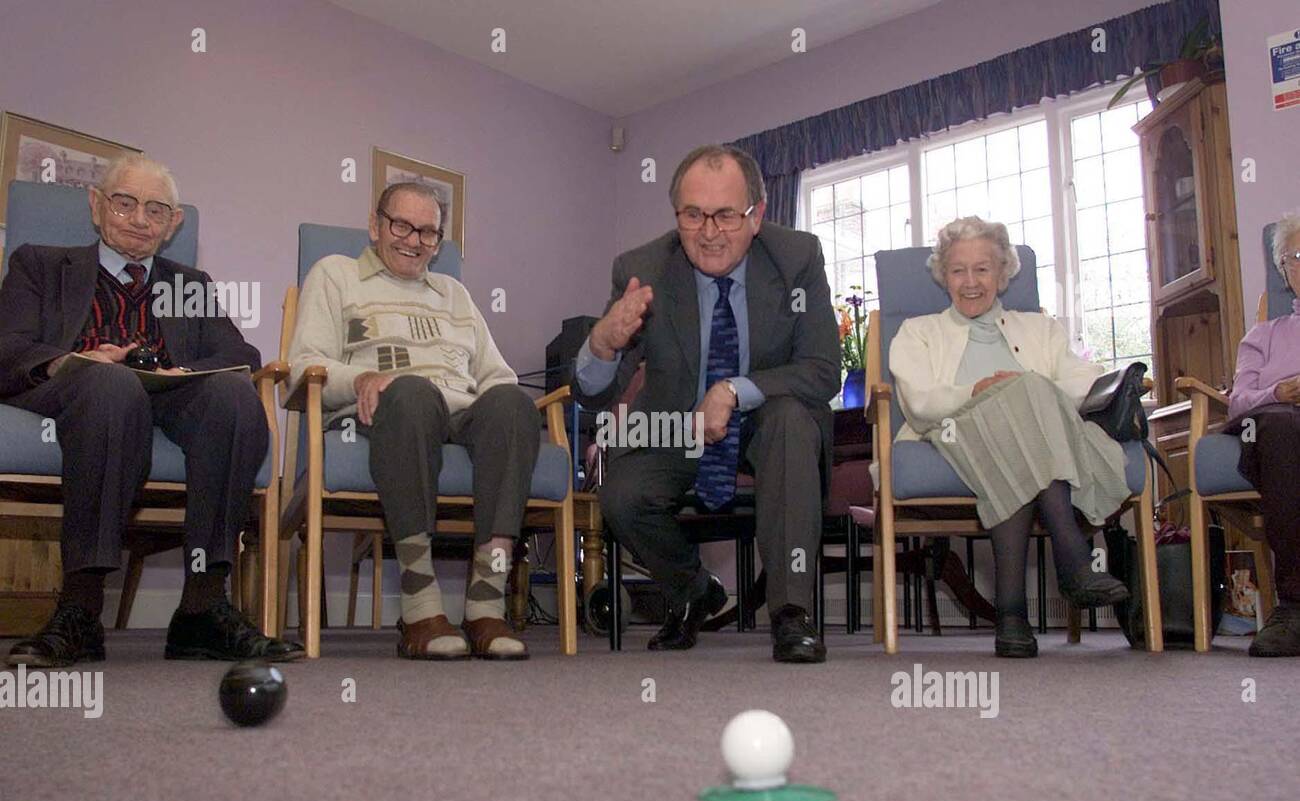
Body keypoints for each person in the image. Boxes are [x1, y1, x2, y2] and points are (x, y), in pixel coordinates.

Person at [0, 154, 302, 665]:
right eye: (125, 203)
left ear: (173, 222)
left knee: (233, 396)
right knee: (110, 387)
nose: (140, 219)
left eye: (156, 210)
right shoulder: (41, 263)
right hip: (77, 386)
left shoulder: (189, 284)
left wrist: (182, 373)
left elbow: (241, 356)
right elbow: (8, 346)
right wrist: (71, 362)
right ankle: (80, 610)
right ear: (97, 207)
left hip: (167, 393)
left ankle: (202, 611)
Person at [573, 144, 840, 663]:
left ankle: (791, 614)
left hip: (766, 419)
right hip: (677, 425)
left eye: (726, 215)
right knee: (621, 494)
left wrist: (733, 390)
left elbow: (822, 369)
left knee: (789, 420)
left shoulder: (797, 260)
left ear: (757, 216)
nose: (709, 231)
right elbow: (596, 393)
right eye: (693, 215)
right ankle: (694, 588)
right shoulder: (642, 268)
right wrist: (602, 344)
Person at [288, 182, 539, 661]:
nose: (414, 240)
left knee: (513, 404)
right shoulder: (336, 275)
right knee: (410, 391)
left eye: (428, 232)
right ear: (376, 224)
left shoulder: (455, 294)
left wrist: (508, 416)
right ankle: (420, 609)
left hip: (460, 412)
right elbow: (304, 367)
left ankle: (486, 605)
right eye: (402, 225)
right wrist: (361, 375)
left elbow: (497, 376)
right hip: (388, 409)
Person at [890, 216, 1130, 658]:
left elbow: (1083, 381)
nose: (970, 281)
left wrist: (1025, 391)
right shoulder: (918, 333)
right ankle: (1073, 563)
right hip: (950, 433)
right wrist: (981, 390)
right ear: (944, 276)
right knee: (1025, 394)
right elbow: (920, 403)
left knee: (1029, 399)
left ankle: (1012, 617)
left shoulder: (1041, 329)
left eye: (982, 269)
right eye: (958, 270)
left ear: (1003, 275)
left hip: (1024, 438)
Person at [1224, 210, 1300, 656]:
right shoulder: (1264, 335)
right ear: (1284, 271)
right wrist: (1279, 390)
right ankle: (1293, 605)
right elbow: (1238, 401)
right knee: (1280, 422)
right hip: (1275, 436)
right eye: (1298, 255)